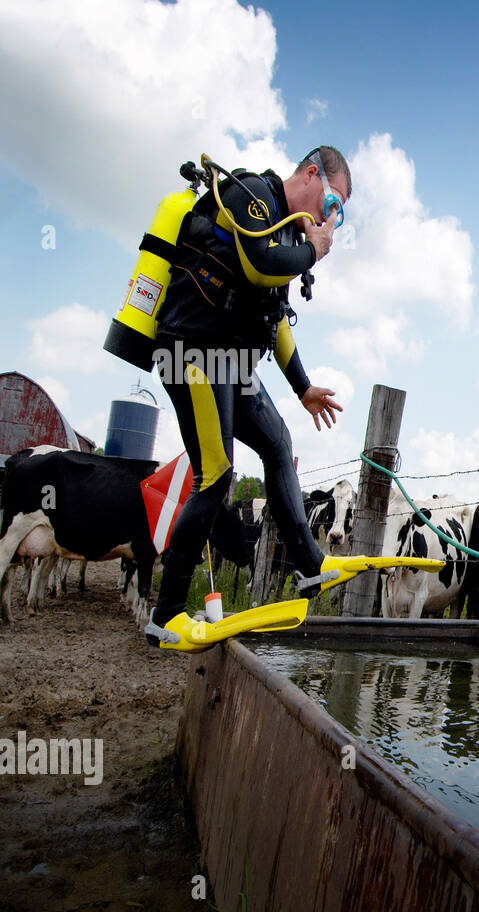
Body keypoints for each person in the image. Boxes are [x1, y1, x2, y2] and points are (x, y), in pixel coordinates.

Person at [145, 146, 350, 647]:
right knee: (215, 476)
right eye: (333, 203)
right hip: (192, 352)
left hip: (228, 362)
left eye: (337, 213)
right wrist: (315, 249)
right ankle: (166, 612)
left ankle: (309, 566)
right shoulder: (253, 196)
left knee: (279, 443)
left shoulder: (283, 232)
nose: (331, 218)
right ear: (309, 175)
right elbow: (260, 266)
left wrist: (302, 387)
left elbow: (274, 317)